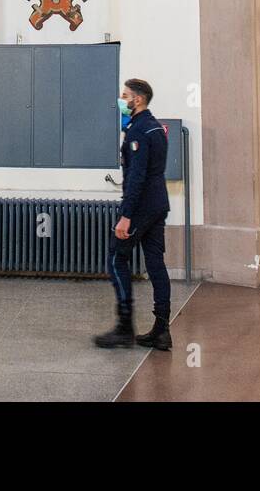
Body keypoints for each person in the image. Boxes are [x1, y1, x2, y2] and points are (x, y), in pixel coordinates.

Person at [94, 78, 173, 350]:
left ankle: (124, 327)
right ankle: (161, 330)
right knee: (155, 265)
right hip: (158, 205)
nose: (121, 99)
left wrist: (126, 215)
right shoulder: (156, 128)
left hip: (141, 208)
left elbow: (137, 177)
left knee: (116, 258)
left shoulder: (139, 131)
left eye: (125, 95)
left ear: (137, 99)